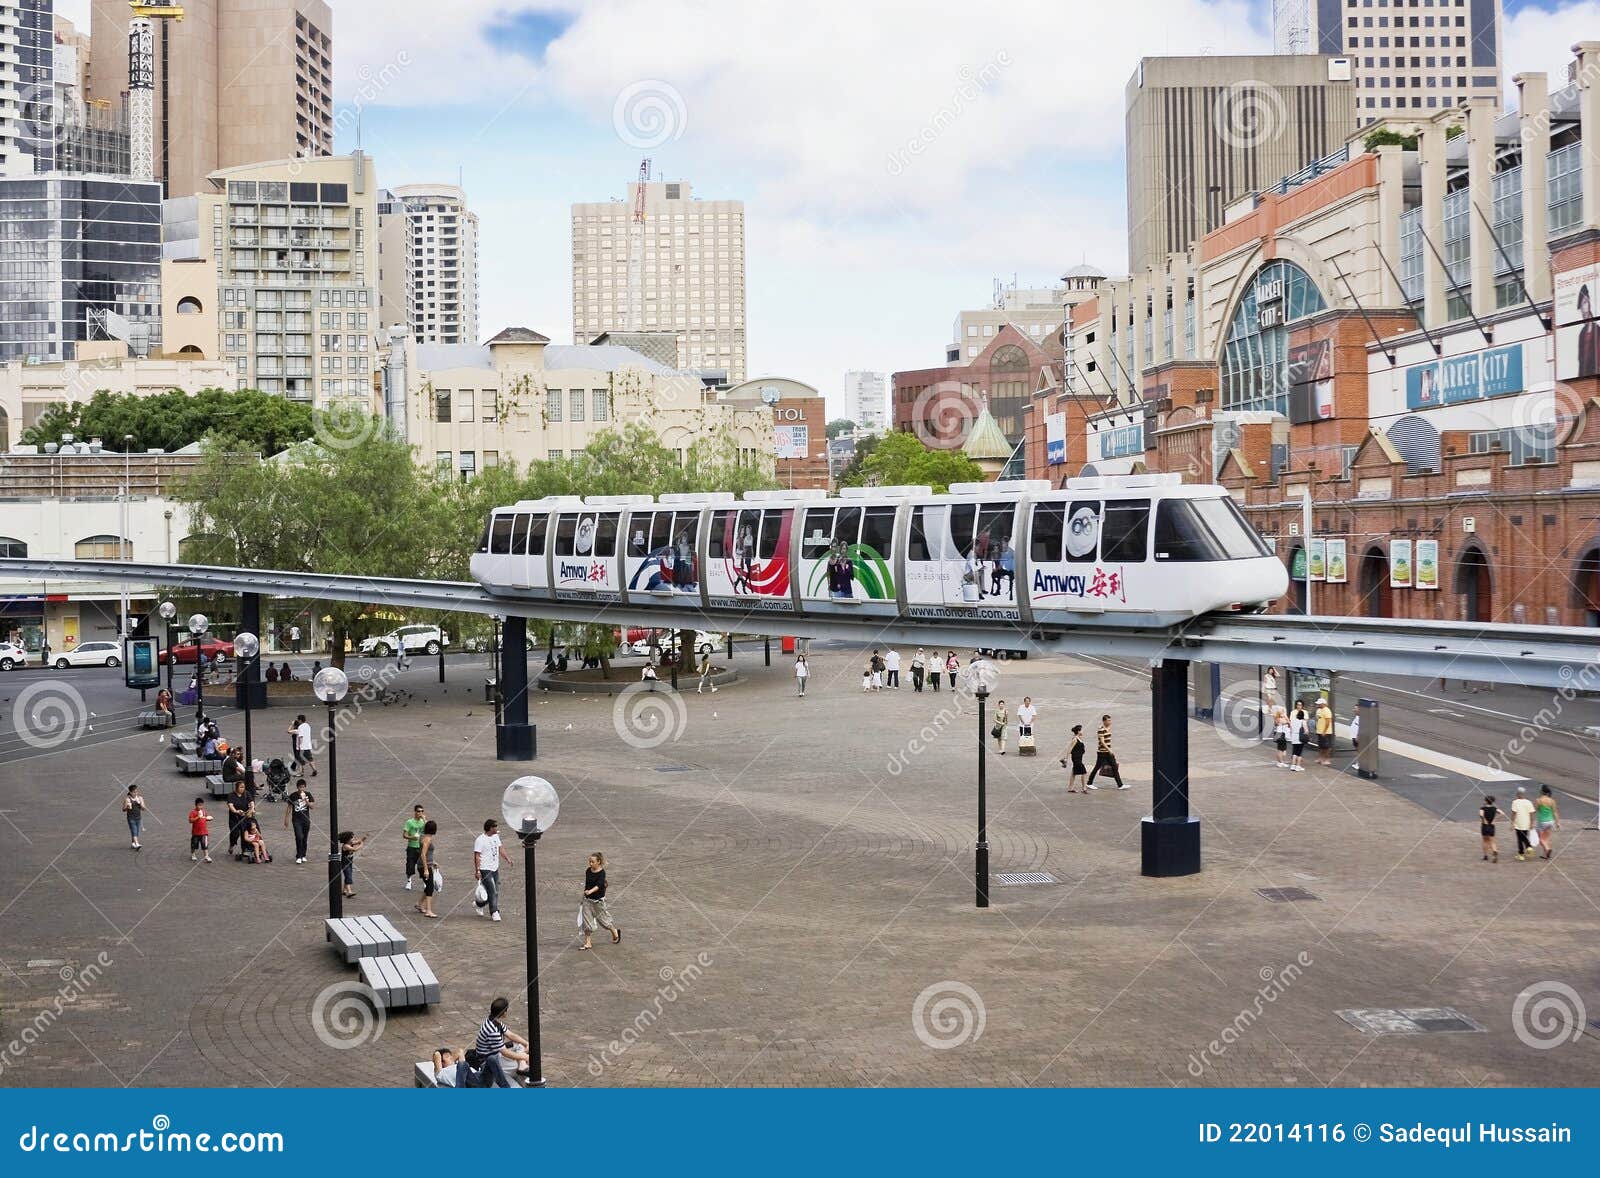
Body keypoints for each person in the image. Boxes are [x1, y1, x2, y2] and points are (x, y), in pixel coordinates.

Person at [474, 997, 531, 1087]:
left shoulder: (494, 1021)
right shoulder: (492, 1030)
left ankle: (522, 1065)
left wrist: (527, 1043)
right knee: (516, 1061)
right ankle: (520, 1065)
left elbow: (511, 1035)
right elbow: (505, 1053)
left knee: (518, 1045)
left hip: (497, 1053)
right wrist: (524, 1056)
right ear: (504, 1013)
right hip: (490, 1060)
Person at [579, 851, 622, 950]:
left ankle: (614, 931)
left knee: (604, 920)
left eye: (592, 862)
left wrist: (590, 891)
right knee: (587, 922)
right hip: (587, 900)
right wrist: (585, 894)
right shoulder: (588, 871)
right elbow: (587, 883)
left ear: (598, 862)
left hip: (598, 901)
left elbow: (599, 885)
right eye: (589, 861)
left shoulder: (602, 873)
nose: (590, 864)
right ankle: (588, 942)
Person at [474, 818, 505, 922]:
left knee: (491, 891)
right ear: (490, 828)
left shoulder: (496, 836)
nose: (497, 828)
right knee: (493, 891)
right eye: (495, 826)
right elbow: (477, 856)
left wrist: (507, 858)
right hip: (485, 869)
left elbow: (500, 848)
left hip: (494, 868)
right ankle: (494, 912)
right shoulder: (480, 840)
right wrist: (478, 870)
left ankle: (479, 904)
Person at [1086, 714, 1126, 789]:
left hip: (1108, 752)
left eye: (1110, 720)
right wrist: (1109, 750)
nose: (1110, 722)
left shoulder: (1108, 728)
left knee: (1114, 766)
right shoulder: (1101, 729)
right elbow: (1102, 741)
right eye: (1108, 720)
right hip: (1102, 752)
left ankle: (1120, 785)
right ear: (1104, 721)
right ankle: (1089, 783)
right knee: (1097, 767)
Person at [283, 778, 314, 864]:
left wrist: (306, 801)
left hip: (306, 819)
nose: (302, 789)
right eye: (300, 787)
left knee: (304, 837)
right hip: (296, 819)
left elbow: (312, 807)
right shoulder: (293, 796)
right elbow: (289, 808)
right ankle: (298, 856)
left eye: (303, 787)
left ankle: (303, 855)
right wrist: (286, 819)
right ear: (297, 787)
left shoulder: (308, 794)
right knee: (299, 836)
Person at [413, 820, 439, 917]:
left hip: (427, 864)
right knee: (430, 888)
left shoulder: (424, 837)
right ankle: (428, 910)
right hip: (425, 866)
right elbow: (423, 854)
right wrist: (426, 869)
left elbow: (426, 854)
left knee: (429, 886)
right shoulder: (427, 839)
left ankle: (419, 904)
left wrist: (433, 862)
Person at [226, 780, 254, 859]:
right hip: (234, 818)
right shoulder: (231, 795)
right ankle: (232, 844)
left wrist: (251, 809)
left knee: (244, 833)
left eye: (243, 787)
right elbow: (230, 806)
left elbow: (252, 802)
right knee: (235, 833)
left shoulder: (246, 793)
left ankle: (244, 849)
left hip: (244, 817)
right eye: (241, 787)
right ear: (236, 788)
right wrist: (236, 811)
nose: (243, 789)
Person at [403, 804, 427, 890]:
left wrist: (424, 820)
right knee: (410, 865)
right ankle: (409, 881)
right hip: (412, 847)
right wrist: (412, 837)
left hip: (421, 847)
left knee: (423, 865)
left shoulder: (423, 822)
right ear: (415, 812)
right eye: (418, 811)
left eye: (422, 811)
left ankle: (425, 882)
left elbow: (429, 831)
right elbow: (404, 835)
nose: (420, 813)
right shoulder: (409, 822)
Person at [1534, 784, 1561, 860]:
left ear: (1541, 791)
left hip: (1542, 822)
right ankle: (1545, 854)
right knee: (1545, 838)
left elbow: (1534, 811)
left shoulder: (1538, 800)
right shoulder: (1552, 801)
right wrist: (1558, 822)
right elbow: (1555, 812)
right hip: (1551, 821)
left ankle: (1547, 849)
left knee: (1541, 839)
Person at [1510, 786, 1536, 861]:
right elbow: (1531, 814)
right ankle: (1529, 847)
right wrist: (1531, 823)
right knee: (1524, 836)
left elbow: (1514, 813)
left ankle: (1521, 854)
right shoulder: (1529, 802)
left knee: (1519, 839)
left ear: (1518, 794)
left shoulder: (1515, 802)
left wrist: (1512, 823)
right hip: (1526, 823)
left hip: (1518, 823)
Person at [1061, 725, 1088, 792]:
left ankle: (1070, 788)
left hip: (1079, 758)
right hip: (1076, 759)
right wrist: (1066, 758)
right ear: (1078, 731)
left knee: (1074, 773)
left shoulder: (1079, 738)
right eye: (1081, 730)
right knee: (1084, 772)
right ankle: (1084, 788)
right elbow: (1070, 749)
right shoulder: (1075, 739)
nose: (1082, 731)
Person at [340, 830, 367, 898]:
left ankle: (344, 890)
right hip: (345, 864)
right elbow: (354, 849)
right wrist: (361, 845)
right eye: (352, 838)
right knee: (348, 876)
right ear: (347, 839)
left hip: (349, 863)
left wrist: (363, 838)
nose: (354, 838)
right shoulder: (346, 846)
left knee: (348, 876)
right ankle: (349, 892)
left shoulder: (350, 843)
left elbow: (358, 841)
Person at [122, 784, 148, 851]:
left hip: (138, 817)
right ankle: (137, 843)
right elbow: (123, 809)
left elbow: (144, 809)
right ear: (130, 792)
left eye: (136, 792)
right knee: (134, 830)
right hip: (131, 818)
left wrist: (140, 804)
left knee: (137, 832)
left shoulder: (140, 798)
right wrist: (127, 807)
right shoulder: (127, 799)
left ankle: (133, 844)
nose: (135, 793)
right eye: (134, 792)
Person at [188, 797, 213, 863]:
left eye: (202, 805)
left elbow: (205, 818)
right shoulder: (193, 812)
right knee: (194, 844)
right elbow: (190, 820)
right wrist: (197, 817)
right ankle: (193, 854)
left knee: (205, 844)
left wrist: (209, 818)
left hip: (204, 832)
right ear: (196, 805)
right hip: (196, 833)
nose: (201, 807)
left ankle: (206, 856)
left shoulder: (204, 812)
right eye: (199, 805)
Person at [1288, 701, 1309, 772]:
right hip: (1300, 738)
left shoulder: (1293, 721)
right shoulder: (1303, 721)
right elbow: (1306, 731)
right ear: (1303, 716)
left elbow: (1290, 728)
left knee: (1294, 752)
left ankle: (1292, 766)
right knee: (1299, 752)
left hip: (1294, 737)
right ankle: (1298, 766)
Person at [1479, 795, 1501, 863]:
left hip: (1485, 826)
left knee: (1485, 841)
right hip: (1492, 825)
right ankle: (1494, 851)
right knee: (1492, 841)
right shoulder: (1494, 808)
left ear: (1486, 801)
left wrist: (1484, 820)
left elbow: (1481, 815)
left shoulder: (1482, 808)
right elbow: (1501, 813)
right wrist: (1495, 820)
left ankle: (1485, 856)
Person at [1314, 698, 1335, 767]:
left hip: (1326, 732)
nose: (1318, 705)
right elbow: (1317, 719)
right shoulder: (1318, 710)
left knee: (1326, 746)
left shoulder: (1327, 711)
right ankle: (1320, 758)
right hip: (1319, 731)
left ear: (1323, 704)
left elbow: (1328, 722)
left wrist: (1324, 731)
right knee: (1320, 746)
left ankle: (1327, 759)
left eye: (1319, 704)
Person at [1271, 704, 1291, 770]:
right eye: (1283, 712)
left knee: (1281, 749)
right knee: (1281, 749)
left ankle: (1280, 762)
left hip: (1280, 734)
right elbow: (1289, 723)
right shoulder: (1279, 719)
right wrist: (1286, 717)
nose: (1284, 713)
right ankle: (1281, 762)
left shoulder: (1277, 718)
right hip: (1280, 734)